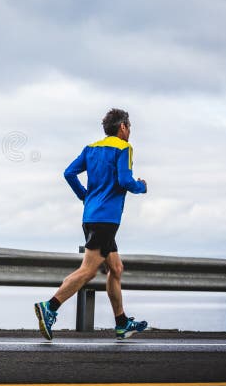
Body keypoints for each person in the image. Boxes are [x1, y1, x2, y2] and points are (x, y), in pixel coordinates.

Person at [34, 108, 148, 340]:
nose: (130, 132)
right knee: (88, 270)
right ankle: (50, 307)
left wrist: (84, 196)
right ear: (123, 127)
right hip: (106, 219)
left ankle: (121, 322)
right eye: (130, 127)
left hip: (91, 216)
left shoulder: (91, 148)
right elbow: (125, 180)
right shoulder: (124, 148)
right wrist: (141, 186)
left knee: (116, 269)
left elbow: (69, 173)